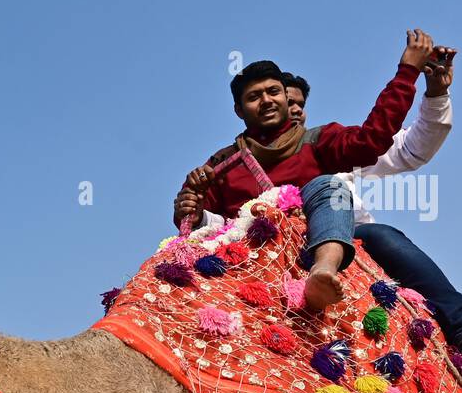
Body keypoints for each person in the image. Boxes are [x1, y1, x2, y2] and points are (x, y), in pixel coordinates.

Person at [279, 55, 462, 390]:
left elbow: (409, 150)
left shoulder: (330, 147)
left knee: (382, 236)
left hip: (354, 241)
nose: (294, 109)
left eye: (299, 104)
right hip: (280, 248)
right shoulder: (238, 165)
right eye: (285, 102)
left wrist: (436, 95)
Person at [175, 30, 434, 312]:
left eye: (273, 92)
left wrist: (408, 71)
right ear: (238, 110)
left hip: (314, 246)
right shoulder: (223, 163)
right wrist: (192, 209)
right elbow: (199, 224)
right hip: (245, 264)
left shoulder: (318, 140)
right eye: (254, 96)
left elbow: (372, 140)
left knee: (337, 195)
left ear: (286, 98)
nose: (266, 100)